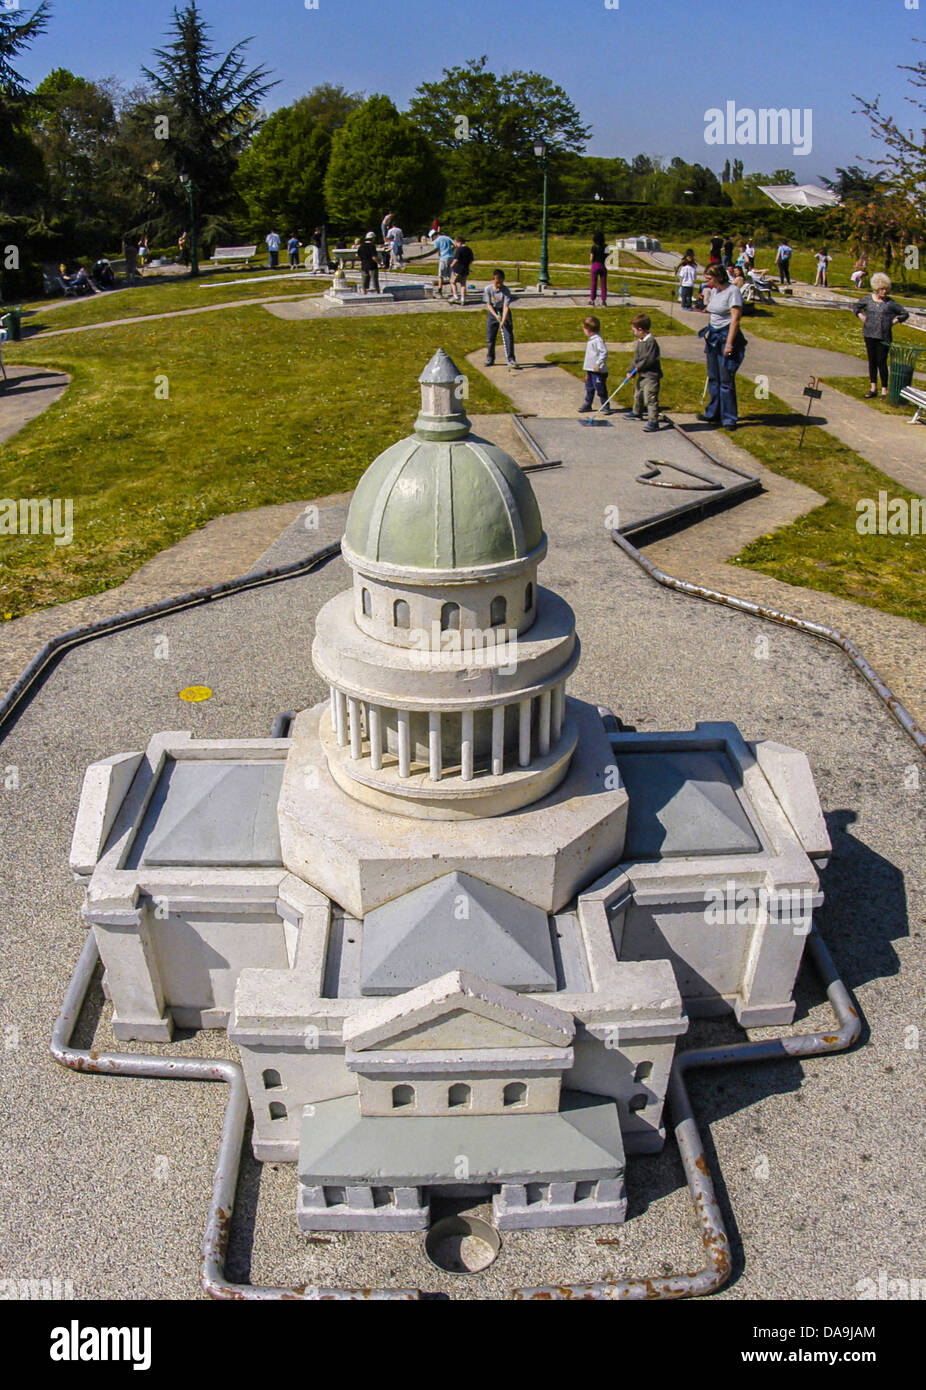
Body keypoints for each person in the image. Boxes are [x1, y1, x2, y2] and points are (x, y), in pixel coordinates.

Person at [697, 263, 746, 429]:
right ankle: (713, 412)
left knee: (726, 380)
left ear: (718, 276)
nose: (707, 281)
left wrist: (729, 344)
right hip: (714, 337)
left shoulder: (733, 292)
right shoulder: (715, 291)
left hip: (727, 337)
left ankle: (729, 418)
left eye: (709, 278)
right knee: (713, 377)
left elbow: (735, 320)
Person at [854, 272, 909, 398]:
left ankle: (884, 389)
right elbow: (855, 306)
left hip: (883, 336)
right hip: (869, 334)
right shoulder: (868, 300)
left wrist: (894, 321)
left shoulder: (890, 303)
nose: (884, 291)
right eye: (882, 289)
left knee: (882, 362)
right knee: (872, 361)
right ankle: (873, 388)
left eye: (886, 289)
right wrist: (861, 316)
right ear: (876, 288)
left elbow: (904, 313)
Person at [623, 313, 662, 432]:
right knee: (637, 394)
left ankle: (653, 421)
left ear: (640, 330)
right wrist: (631, 370)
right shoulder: (641, 341)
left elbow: (648, 359)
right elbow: (637, 358)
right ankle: (636, 413)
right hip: (642, 375)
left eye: (634, 330)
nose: (634, 333)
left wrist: (638, 367)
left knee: (650, 398)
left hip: (651, 376)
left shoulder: (651, 342)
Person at [483, 269, 518, 367]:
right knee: (490, 337)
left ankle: (511, 359)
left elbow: (506, 306)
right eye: (498, 282)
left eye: (502, 282)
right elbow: (488, 305)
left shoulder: (506, 290)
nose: (500, 285)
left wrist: (503, 320)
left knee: (508, 336)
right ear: (493, 279)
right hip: (493, 312)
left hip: (504, 312)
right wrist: (496, 316)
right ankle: (490, 358)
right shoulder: (488, 289)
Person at [577, 314, 609, 414]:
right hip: (589, 369)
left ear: (588, 330)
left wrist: (598, 363)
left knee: (600, 388)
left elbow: (604, 352)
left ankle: (605, 405)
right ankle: (588, 404)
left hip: (598, 371)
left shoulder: (597, 340)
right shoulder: (591, 340)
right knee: (589, 387)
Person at [450, 235, 474, 304]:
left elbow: (456, 259)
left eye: (456, 243)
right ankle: (463, 299)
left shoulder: (459, 250)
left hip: (457, 269)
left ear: (459, 242)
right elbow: (471, 260)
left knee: (452, 282)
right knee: (463, 285)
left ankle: (455, 296)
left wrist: (451, 265)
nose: (456, 245)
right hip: (465, 269)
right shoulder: (469, 249)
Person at [432, 229, 454, 297]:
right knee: (451, 275)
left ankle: (440, 290)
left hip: (443, 258)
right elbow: (454, 244)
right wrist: (451, 250)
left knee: (441, 275)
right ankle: (453, 290)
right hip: (451, 257)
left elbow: (437, 250)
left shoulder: (437, 240)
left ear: (434, 235)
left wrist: (439, 255)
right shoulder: (447, 237)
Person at [589, 231, 608, 307]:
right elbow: (607, 257)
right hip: (603, 265)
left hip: (595, 265)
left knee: (594, 283)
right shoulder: (606, 247)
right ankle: (603, 301)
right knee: (603, 284)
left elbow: (591, 258)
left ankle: (592, 300)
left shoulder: (594, 247)